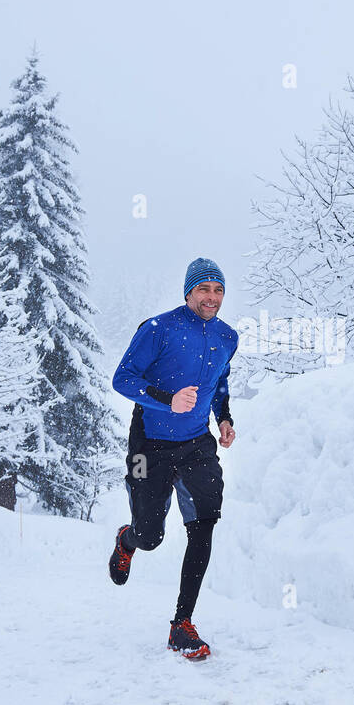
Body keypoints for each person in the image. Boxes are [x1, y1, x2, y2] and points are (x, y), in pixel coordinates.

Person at [109, 257, 239, 660]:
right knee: (151, 536)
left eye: (218, 290)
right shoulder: (157, 329)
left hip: (198, 442)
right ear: (188, 292)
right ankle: (128, 539)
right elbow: (123, 379)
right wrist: (167, 400)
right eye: (204, 289)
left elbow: (219, 383)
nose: (212, 297)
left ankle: (181, 625)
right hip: (148, 442)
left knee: (204, 523)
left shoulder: (226, 336)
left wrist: (225, 418)